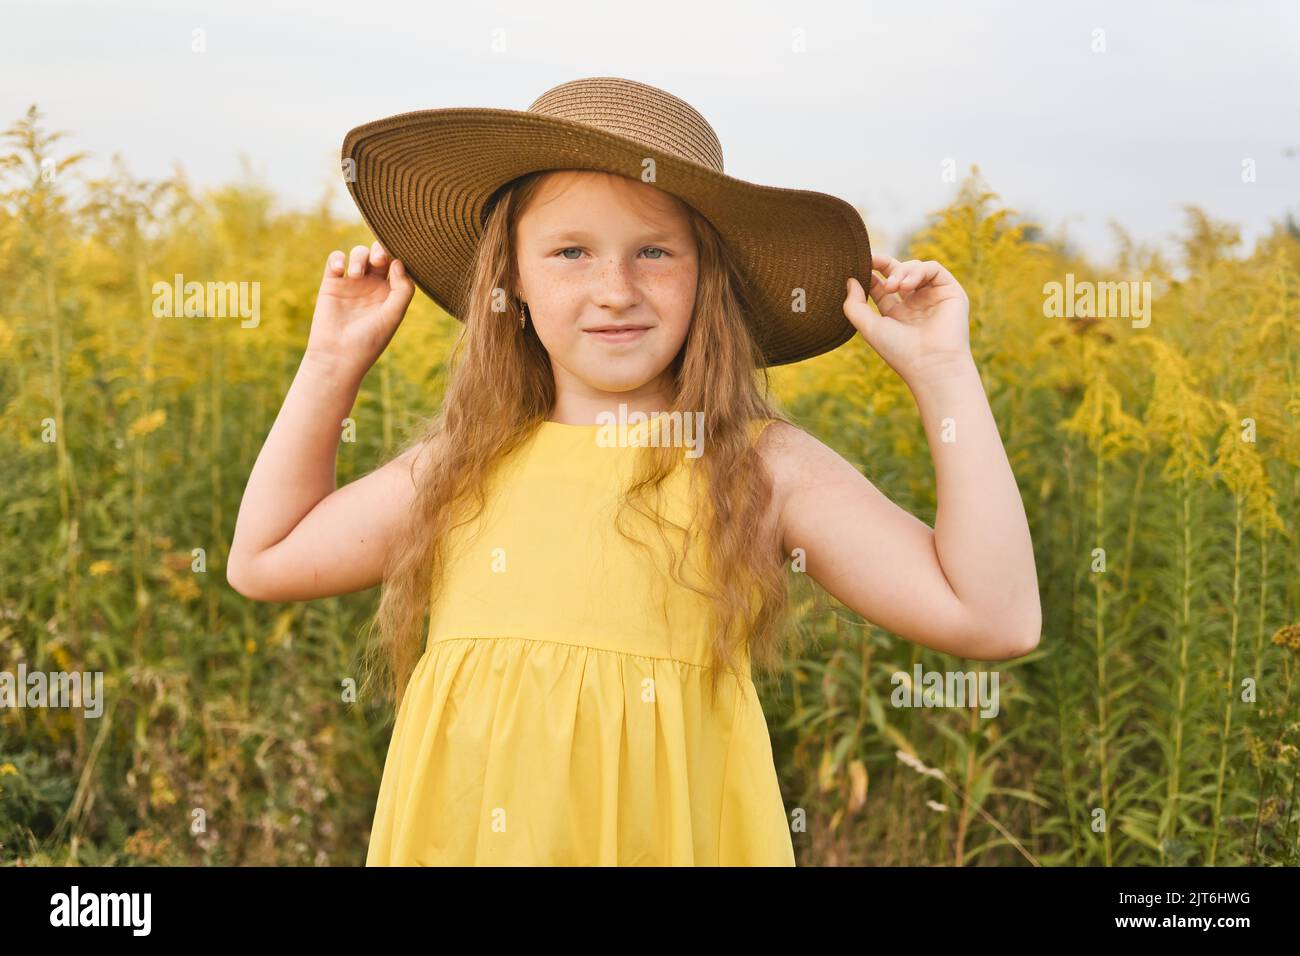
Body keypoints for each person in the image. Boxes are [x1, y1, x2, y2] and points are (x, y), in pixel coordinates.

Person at [227, 76, 1041, 866]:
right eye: (571, 251)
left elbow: (994, 618)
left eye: (654, 251)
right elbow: (265, 559)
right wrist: (332, 361)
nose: (614, 290)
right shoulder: (462, 465)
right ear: (511, 276)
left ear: (706, 277)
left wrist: (944, 376)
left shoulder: (759, 467)